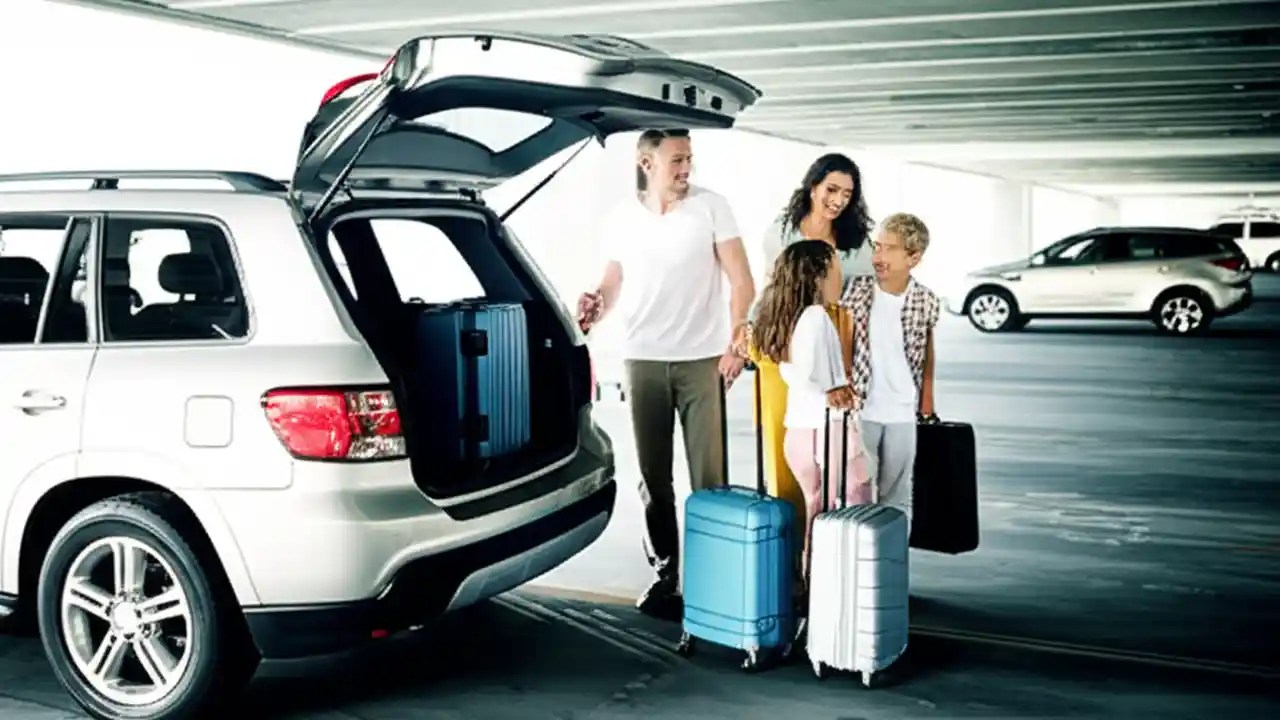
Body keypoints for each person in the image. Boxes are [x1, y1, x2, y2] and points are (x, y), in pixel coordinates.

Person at [576, 128, 755, 619]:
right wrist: (595, 304)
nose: (686, 169)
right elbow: (612, 285)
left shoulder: (712, 207)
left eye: (689, 159)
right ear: (646, 162)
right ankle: (667, 574)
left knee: (709, 480)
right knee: (653, 478)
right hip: (643, 359)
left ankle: (713, 576)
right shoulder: (621, 219)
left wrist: (738, 337)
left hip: (703, 360)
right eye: (677, 160)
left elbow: (742, 279)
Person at [749, 153, 874, 560]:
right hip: (797, 340)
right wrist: (750, 330)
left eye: (847, 193)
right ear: (812, 185)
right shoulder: (780, 233)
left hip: (839, 338)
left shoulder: (858, 242)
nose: (838, 200)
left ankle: (817, 560)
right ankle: (814, 559)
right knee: (820, 468)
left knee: (821, 464)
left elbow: (867, 296)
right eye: (831, 189)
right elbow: (774, 290)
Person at [840, 212, 941, 528]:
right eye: (877, 246)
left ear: (914, 257)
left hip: (901, 411)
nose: (878, 256)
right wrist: (843, 383)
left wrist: (927, 402)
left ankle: (892, 561)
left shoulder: (926, 300)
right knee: (857, 489)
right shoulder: (857, 290)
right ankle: (860, 559)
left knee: (897, 493)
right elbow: (844, 340)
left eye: (889, 249)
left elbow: (927, 354)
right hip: (862, 408)